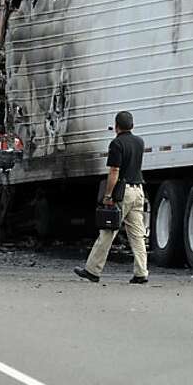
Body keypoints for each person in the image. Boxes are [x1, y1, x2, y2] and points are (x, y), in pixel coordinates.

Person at [75, 111, 148, 284]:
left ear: (116, 126)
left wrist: (108, 195)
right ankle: (141, 272)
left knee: (107, 231)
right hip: (139, 191)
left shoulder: (116, 144)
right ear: (132, 125)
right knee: (137, 235)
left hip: (123, 192)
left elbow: (114, 171)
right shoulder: (140, 142)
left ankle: (92, 270)